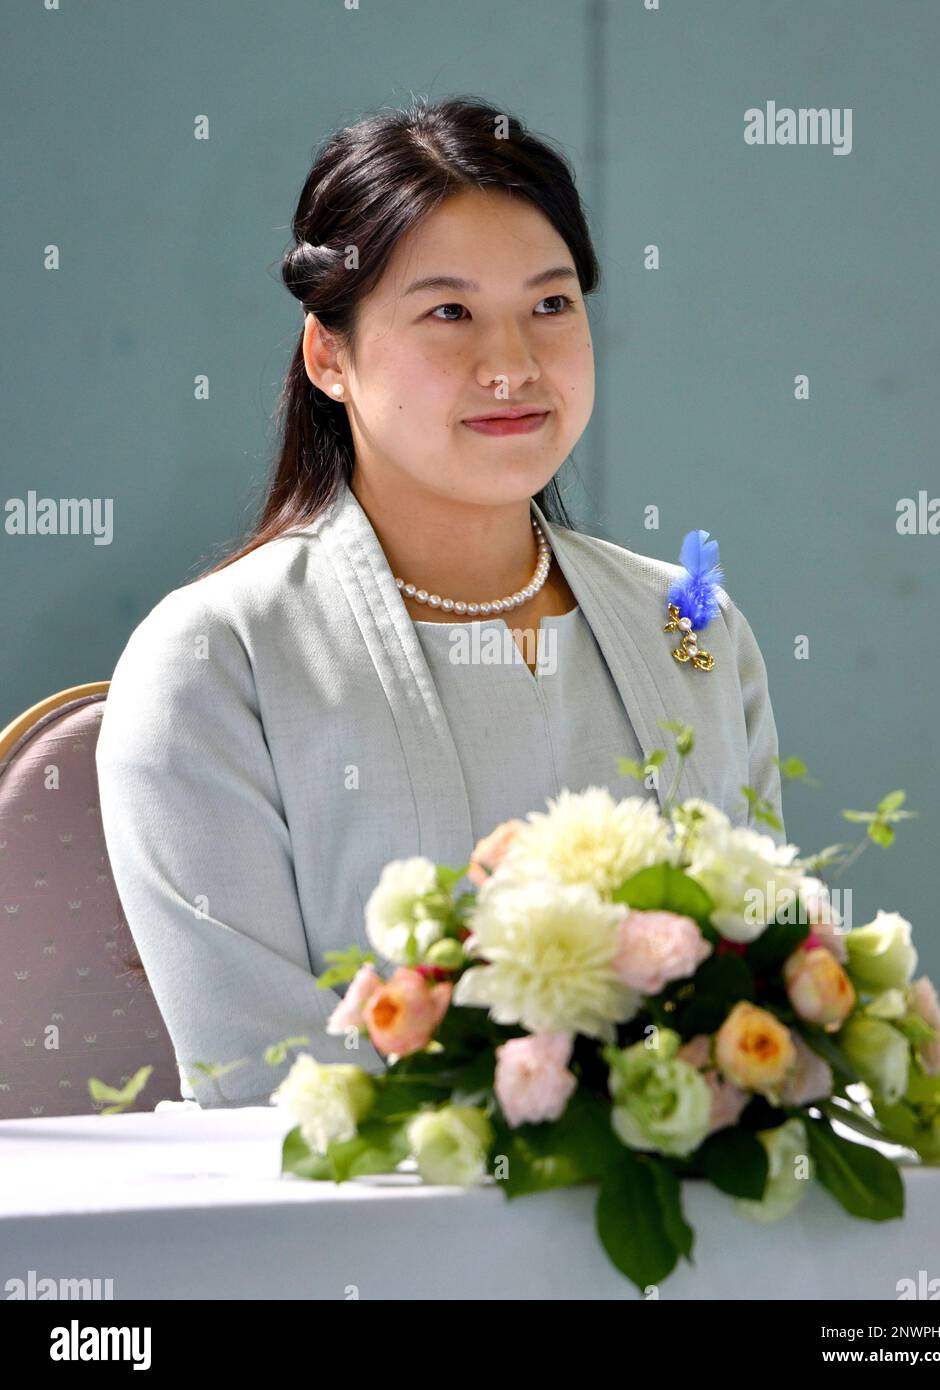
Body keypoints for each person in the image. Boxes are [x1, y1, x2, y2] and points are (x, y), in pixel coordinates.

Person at [95, 96, 785, 1109]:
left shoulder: (687, 623)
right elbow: (269, 1092)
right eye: (447, 312)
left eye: (550, 305)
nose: (511, 364)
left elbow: (757, 991)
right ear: (328, 355)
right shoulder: (216, 657)